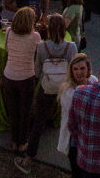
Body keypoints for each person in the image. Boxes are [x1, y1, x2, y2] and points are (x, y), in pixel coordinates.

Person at [15, 14, 79, 173]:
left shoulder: (42, 47)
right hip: (65, 90)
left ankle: (29, 158)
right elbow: (75, 70)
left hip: (47, 88)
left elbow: (37, 71)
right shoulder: (71, 47)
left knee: (38, 122)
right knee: (73, 123)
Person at [1, 7, 42, 157]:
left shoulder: (9, 32)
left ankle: (14, 140)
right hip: (26, 78)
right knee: (24, 112)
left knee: (13, 111)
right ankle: (22, 142)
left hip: (9, 76)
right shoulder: (35, 37)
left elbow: (6, 50)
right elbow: (39, 55)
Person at [59, 53, 97, 174]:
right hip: (75, 139)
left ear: (88, 69)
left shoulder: (93, 81)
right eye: (75, 69)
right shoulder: (68, 91)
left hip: (91, 137)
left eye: (82, 68)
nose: (78, 72)